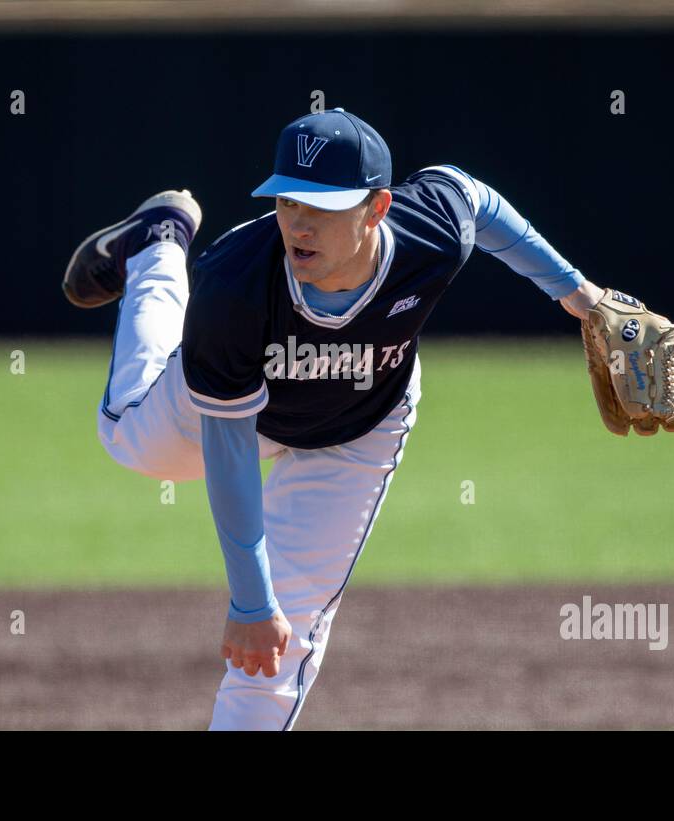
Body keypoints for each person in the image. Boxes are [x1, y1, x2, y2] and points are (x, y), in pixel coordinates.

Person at [61, 108, 605, 730]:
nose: (299, 223)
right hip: (239, 410)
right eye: (289, 202)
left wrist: (579, 295)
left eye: (323, 205)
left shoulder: (428, 234)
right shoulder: (236, 284)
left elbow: (475, 200)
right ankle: (158, 245)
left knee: (279, 648)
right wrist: (248, 597)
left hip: (359, 427)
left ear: (376, 208)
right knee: (128, 440)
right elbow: (231, 449)